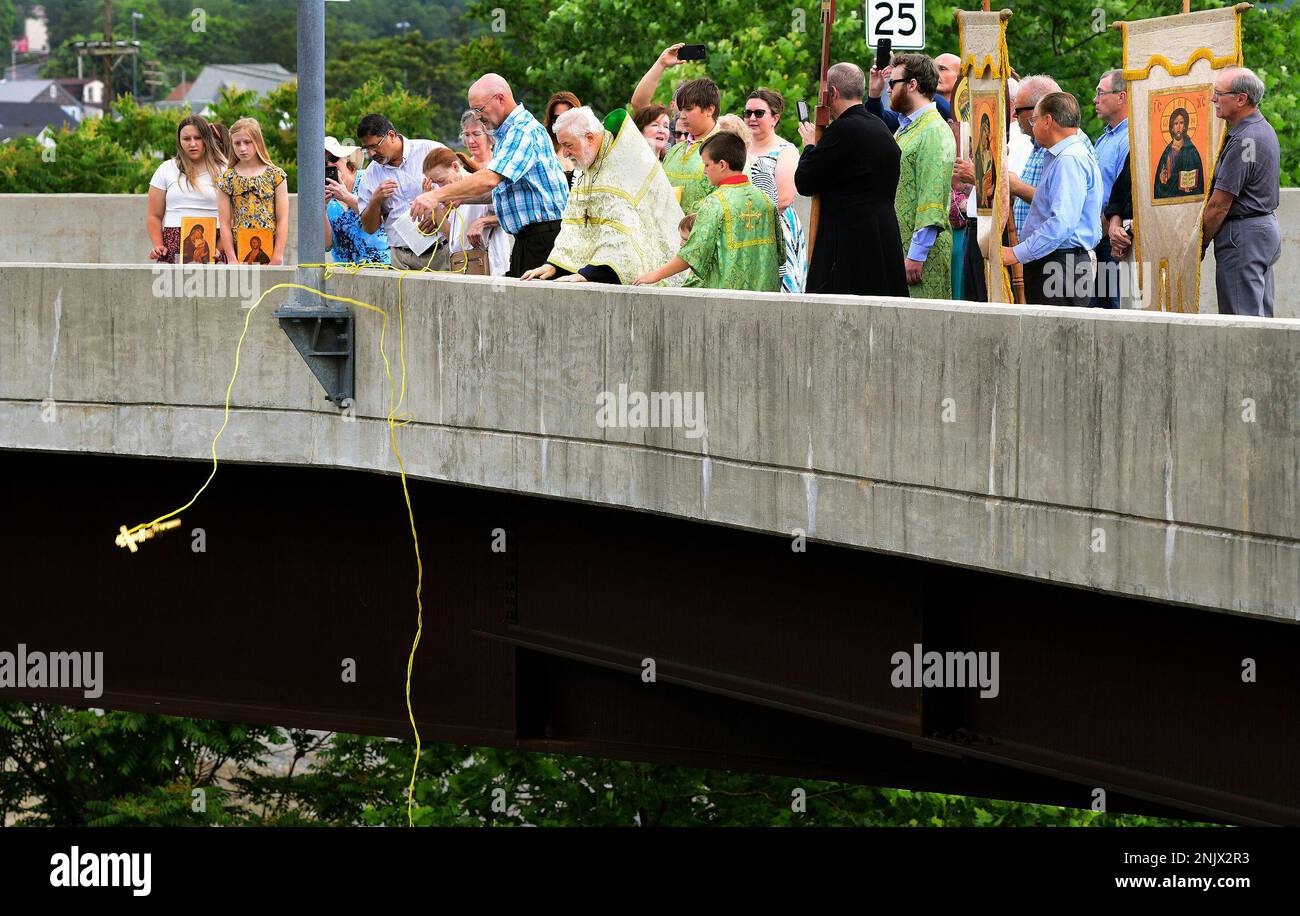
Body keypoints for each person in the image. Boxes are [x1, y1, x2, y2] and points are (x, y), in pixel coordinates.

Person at [410, 74, 569, 277]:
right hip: (529, 238)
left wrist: (435, 195)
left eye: (479, 109)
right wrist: (460, 197)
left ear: (500, 99)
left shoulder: (522, 131)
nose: (477, 116)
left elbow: (489, 179)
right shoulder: (508, 133)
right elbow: (501, 190)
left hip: (543, 237)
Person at [517, 106, 683, 285]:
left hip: (647, 271)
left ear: (589, 138)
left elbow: (620, 234)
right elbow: (574, 223)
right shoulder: (585, 164)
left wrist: (591, 274)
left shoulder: (621, 166)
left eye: (568, 145)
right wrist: (554, 265)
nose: (564, 153)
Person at [794, 62, 908, 298]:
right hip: (883, 235)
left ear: (832, 93)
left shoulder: (842, 131)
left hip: (849, 242)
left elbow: (805, 181)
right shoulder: (880, 126)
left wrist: (809, 147)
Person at [634, 132, 780, 291]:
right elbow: (779, 255)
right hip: (765, 297)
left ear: (722, 165)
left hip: (726, 299)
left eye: (707, 165)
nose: (704, 170)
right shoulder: (766, 201)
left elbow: (692, 254)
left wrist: (655, 275)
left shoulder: (715, 203)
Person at [1000, 92, 1103, 307]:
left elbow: (1061, 223)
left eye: (1034, 120)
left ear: (1048, 121)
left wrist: (1017, 253)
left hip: (1061, 264)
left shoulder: (1068, 159)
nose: (1032, 126)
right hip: (1058, 262)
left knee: (1057, 336)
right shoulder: (1063, 155)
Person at [1202, 67, 1281, 317]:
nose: (1213, 99)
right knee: (1260, 319)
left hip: (1244, 236)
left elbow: (1219, 205)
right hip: (1261, 230)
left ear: (1240, 99)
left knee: (1241, 322)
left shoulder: (1245, 139)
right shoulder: (1261, 128)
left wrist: (1199, 243)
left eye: (1218, 93)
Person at [888, 54, 957, 300]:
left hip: (920, 257)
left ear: (912, 85)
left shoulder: (934, 130)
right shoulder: (906, 127)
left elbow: (933, 197)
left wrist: (916, 255)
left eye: (892, 83)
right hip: (899, 247)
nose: (888, 90)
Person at [632, 44, 722, 214]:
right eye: (681, 110)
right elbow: (639, 105)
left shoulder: (728, 148)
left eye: (688, 109)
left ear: (710, 109)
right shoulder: (674, 150)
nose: (682, 116)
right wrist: (661, 64)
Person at [353, 113, 448, 270]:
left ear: (391, 135)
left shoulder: (430, 150)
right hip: (401, 258)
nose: (371, 154)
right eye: (366, 149)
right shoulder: (371, 174)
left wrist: (439, 215)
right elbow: (369, 228)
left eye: (374, 146)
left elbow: (461, 192)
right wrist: (375, 201)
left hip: (440, 251)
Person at [744, 88, 807, 294]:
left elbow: (785, 198)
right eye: (747, 113)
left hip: (774, 228)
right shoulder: (739, 148)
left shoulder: (785, 150)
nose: (752, 118)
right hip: (742, 226)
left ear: (775, 118)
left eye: (759, 113)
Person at [146, 114, 229, 264]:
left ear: (207, 139)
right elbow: (154, 215)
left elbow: (233, 217)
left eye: (198, 138)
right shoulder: (166, 169)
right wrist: (158, 246)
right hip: (173, 247)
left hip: (215, 248)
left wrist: (219, 248)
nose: (192, 144)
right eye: (186, 139)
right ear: (179, 141)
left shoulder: (225, 170)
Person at [422, 147, 514, 276]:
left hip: (491, 266)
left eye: (441, 181)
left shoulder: (482, 186)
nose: (440, 188)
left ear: (455, 166)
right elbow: (452, 239)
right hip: (463, 265)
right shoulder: (452, 194)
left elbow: (511, 212)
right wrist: (435, 205)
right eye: (436, 184)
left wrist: (482, 222)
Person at [216, 117, 288, 266]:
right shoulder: (227, 178)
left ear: (257, 142)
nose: (242, 148)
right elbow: (224, 222)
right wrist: (231, 259)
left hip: (270, 252)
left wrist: (277, 256)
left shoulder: (276, 175)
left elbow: (282, 219)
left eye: (247, 142)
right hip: (238, 252)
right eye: (237, 143)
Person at [1091, 69, 1130, 308]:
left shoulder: (1130, 138)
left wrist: (1101, 232)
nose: (1095, 100)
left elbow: (1122, 193)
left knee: (1112, 309)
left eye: (1100, 93)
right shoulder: (1103, 139)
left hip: (1112, 237)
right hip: (1097, 235)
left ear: (1122, 97)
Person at [323, 135, 391, 266]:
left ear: (348, 161)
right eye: (324, 162)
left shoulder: (368, 179)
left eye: (333, 158)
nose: (329, 164)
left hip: (380, 268)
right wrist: (323, 209)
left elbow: (381, 216)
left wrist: (346, 196)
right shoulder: (324, 194)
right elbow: (327, 245)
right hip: (344, 275)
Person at [866, 53, 956, 130]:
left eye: (942, 68)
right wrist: (874, 94)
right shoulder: (910, 116)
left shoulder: (966, 112)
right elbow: (878, 122)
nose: (935, 73)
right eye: (933, 68)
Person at [1154, 107, 1205, 200]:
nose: (1178, 127)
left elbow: (1200, 183)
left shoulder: (1192, 151)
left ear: (1185, 126)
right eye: (1175, 123)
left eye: (1181, 123)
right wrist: (1162, 181)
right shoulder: (1166, 153)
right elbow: (1158, 189)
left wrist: (1192, 188)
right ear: (1171, 128)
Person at [544, 91, 582, 185]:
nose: (561, 123)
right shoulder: (544, 147)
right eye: (557, 118)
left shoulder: (588, 146)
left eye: (566, 117)